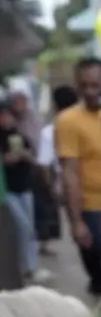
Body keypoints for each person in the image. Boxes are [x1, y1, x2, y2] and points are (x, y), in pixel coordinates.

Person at [57, 57, 101, 297]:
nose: (90, 91)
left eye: (96, 85)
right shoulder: (68, 121)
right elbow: (69, 173)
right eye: (83, 85)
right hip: (93, 207)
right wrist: (76, 221)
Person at [0, 101, 50, 284]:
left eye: (8, 115)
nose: (5, 119)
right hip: (8, 190)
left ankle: (30, 266)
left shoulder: (20, 135)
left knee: (29, 229)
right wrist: (10, 158)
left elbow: (34, 158)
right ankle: (23, 267)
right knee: (23, 227)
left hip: (24, 187)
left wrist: (25, 155)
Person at [34, 85, 77, 252]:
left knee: (74, 222)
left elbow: (44, 164)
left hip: (64, 181)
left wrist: (52, 189)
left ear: (55, 105)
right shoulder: (90, 124)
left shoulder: (49, 131)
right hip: (92, 179)